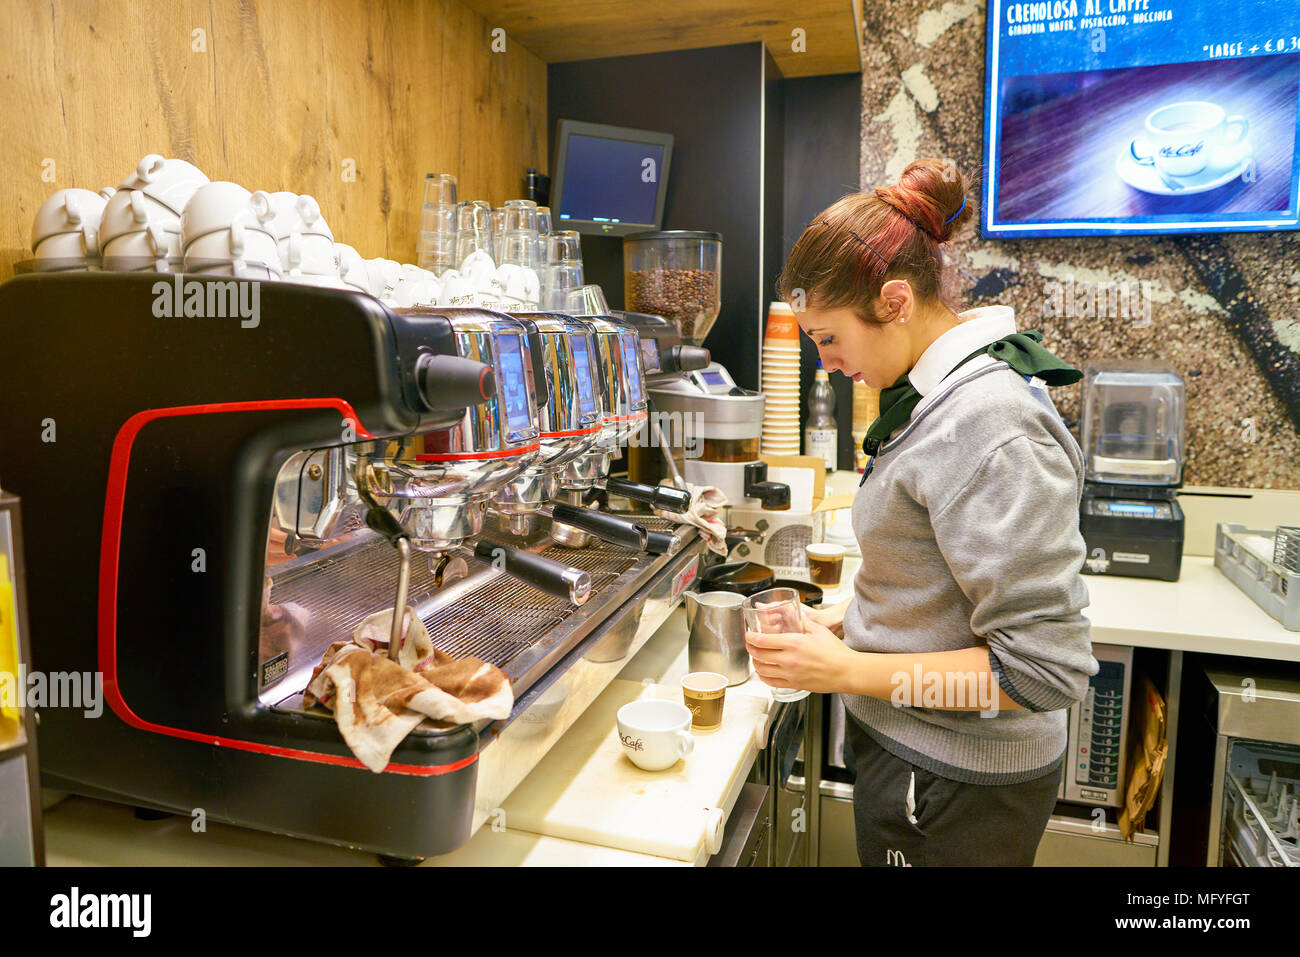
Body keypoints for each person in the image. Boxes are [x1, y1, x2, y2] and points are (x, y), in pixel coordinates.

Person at [750, 157, 1099, 866]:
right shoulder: (936, 399)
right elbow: (937, 588)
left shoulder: (988, 421)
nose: (827, 363)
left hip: (957, 786)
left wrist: (844, 669)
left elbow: (1037, 673)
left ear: (895, 301)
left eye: (829, 337)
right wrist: (845, 623)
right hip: (920, 762)